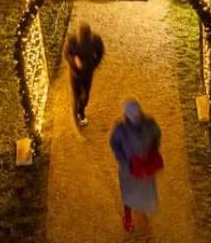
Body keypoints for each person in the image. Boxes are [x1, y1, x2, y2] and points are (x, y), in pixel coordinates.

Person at [110, 99, 163, 232]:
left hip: (140, 166)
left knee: (137, 191)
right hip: (132, 168)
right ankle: (130, 215)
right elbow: (115, 144)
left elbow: (157, 136)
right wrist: (124, 160)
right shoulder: (123, 129)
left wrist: (152, 152)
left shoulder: (145, 124)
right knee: (132, 192)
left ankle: (136, 213)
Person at [62, 23, 105, 127]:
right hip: (75, 75)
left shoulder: (95, 40)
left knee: (85, 97)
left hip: (87, 75)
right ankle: (78, 116)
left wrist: (94, 65)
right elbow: (66, 54)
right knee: (76, 96)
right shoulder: (72, 40)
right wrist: (74, 61)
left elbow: (100, 52)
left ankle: (80, 110)